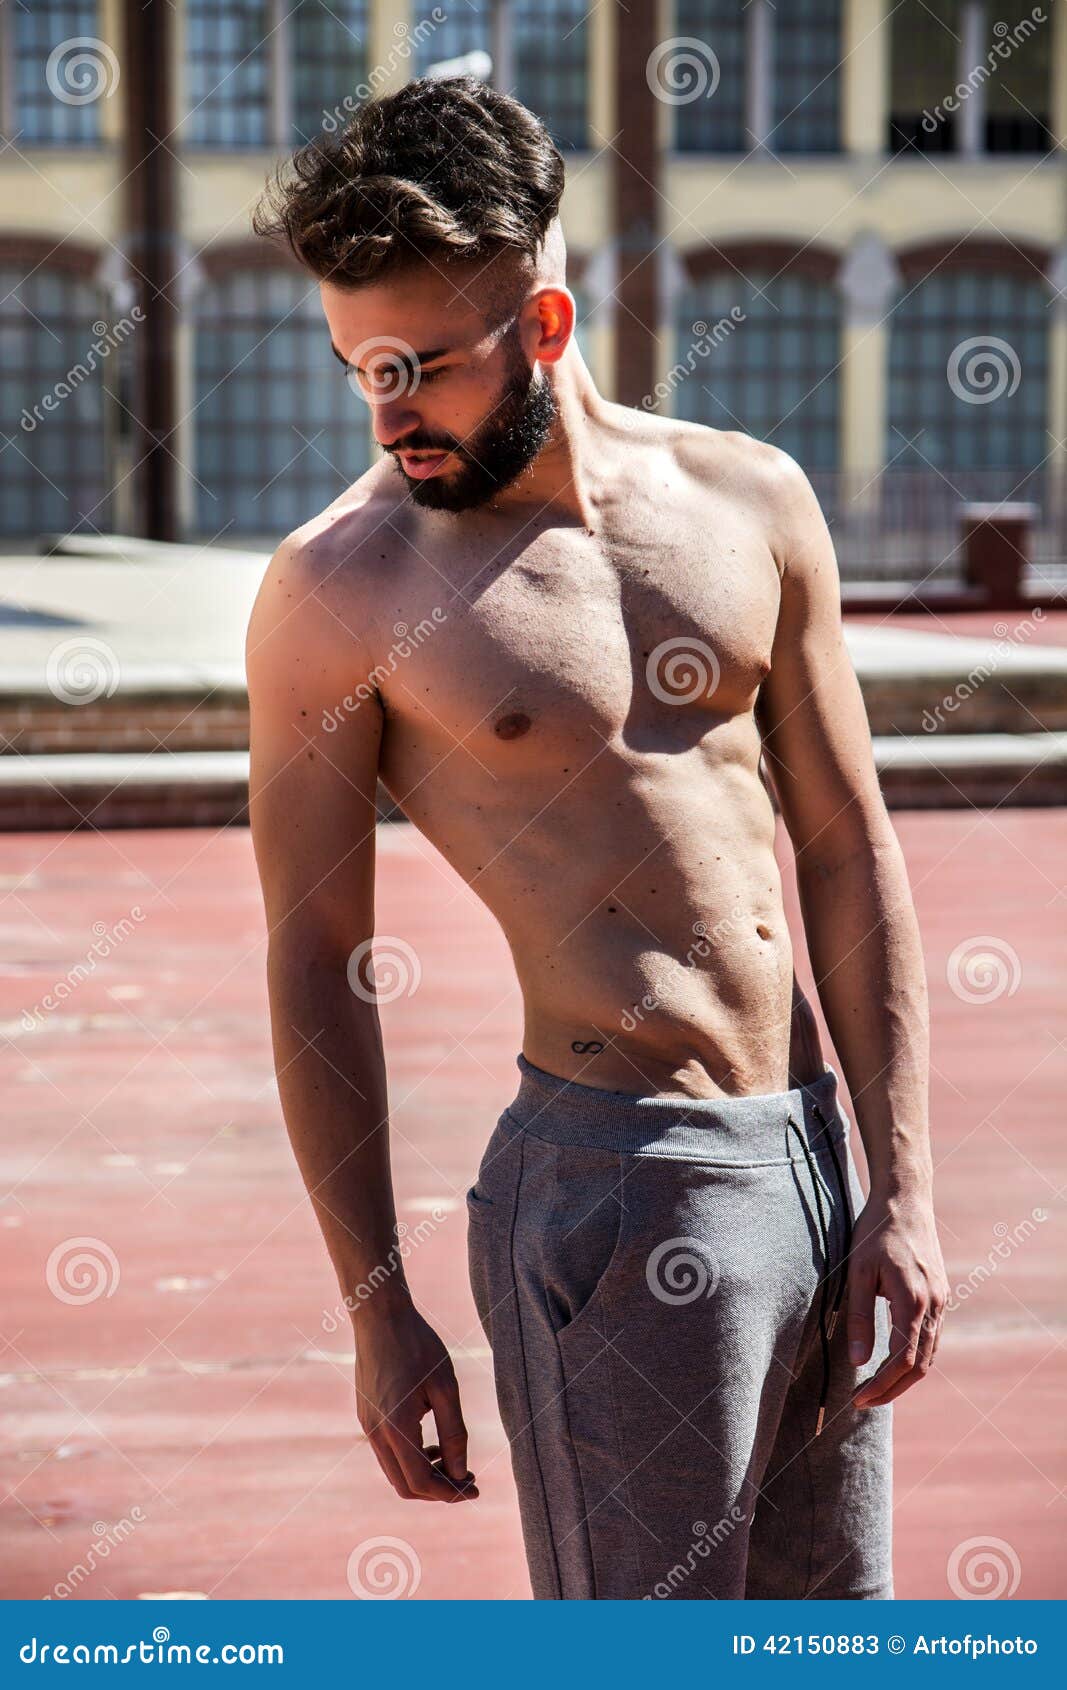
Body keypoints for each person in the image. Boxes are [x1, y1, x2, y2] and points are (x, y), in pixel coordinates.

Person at [246, 75, 948, 1600]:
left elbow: (847, 849)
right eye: (360, 368)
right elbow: (312, 959)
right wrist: (378, 1307)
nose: (388, 413)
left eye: (422, 369)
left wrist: (903, 1183)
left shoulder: (751, 501)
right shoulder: (339, 593)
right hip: (615, 1187)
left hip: (813, 1155)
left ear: (546, 330)